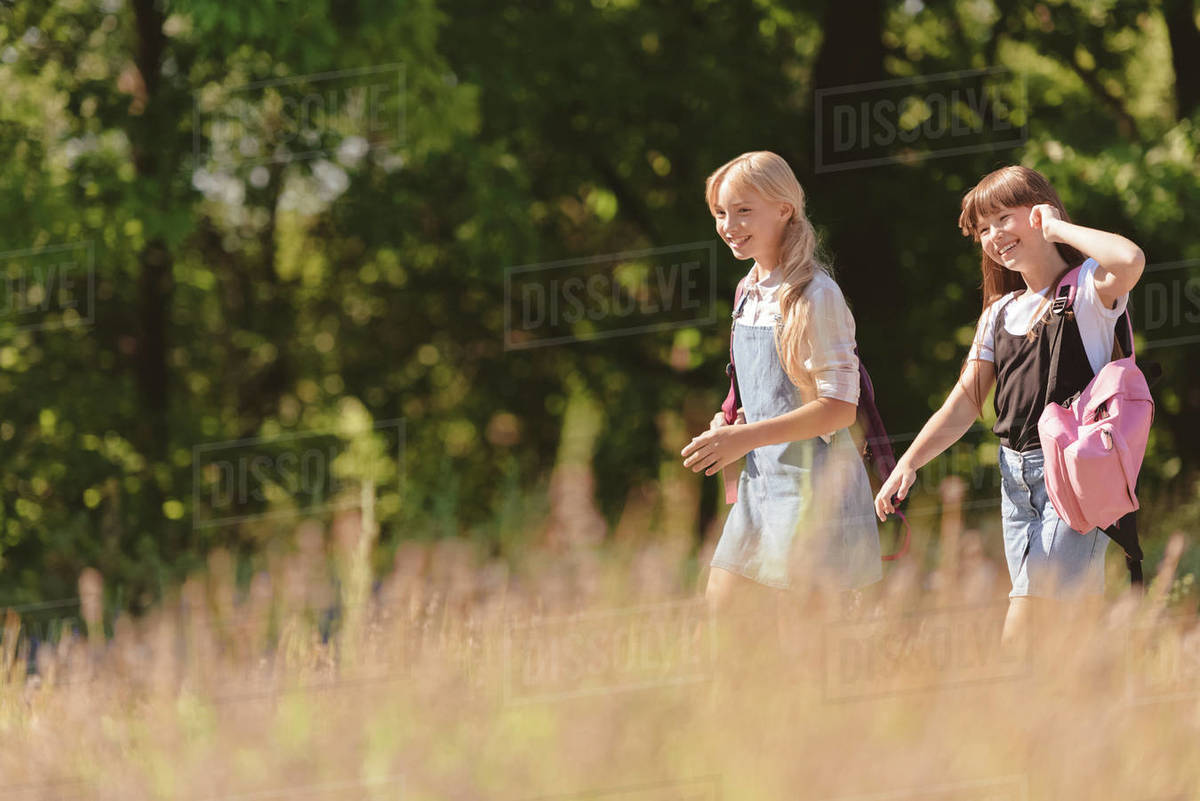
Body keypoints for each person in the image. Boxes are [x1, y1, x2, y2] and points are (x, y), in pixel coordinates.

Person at [873, 165, 1145, 644]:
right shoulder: (999, 313)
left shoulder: (1085, 289)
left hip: (1073, 478)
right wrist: (909, 463)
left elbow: (1129, 259)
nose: (993, 235)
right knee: (1061, 633)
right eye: (982, 229)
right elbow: (964, 403)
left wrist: (1057, 227)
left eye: (1004, 218)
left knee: (1023, 630)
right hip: (1014, 483)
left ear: (1039, 210)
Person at [680, 151, 882, 619]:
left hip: (814, 491)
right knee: (722, 622)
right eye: (720, 213)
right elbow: (777, 394)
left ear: (784, 208)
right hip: (760, 484)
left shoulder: (816, 295)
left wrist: (744, 436)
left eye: (743, 210)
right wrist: (737, 420)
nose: (729, 225)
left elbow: (838, 409)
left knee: (797, 649)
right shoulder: (748, 289)